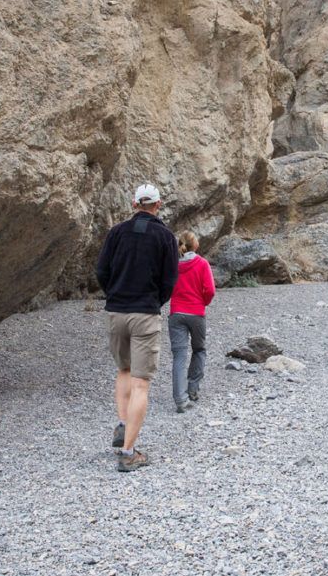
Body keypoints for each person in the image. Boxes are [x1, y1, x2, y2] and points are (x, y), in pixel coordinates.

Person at [95, 183, 178, 472]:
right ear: (158, 205)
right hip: (145, 313)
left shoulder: (116, 232)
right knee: (142, 382)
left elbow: (101, 270)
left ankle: (121, 422)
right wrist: (156, 301)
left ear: (134, 204)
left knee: (124, 370)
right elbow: (169, 279)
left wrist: (114, 293)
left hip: (116, 310)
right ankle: (129, 453)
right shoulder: (166, 236)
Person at [168, 231, 216, 413]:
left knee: (179, 356)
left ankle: (180, 399)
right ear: (195, 245)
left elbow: (166, 285)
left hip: (176, 313)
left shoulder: (173, 265)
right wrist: (203, 302)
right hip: (196, 313)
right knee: (199, 350)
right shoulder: (202, 263)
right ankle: (193, 389)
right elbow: (210, 290)